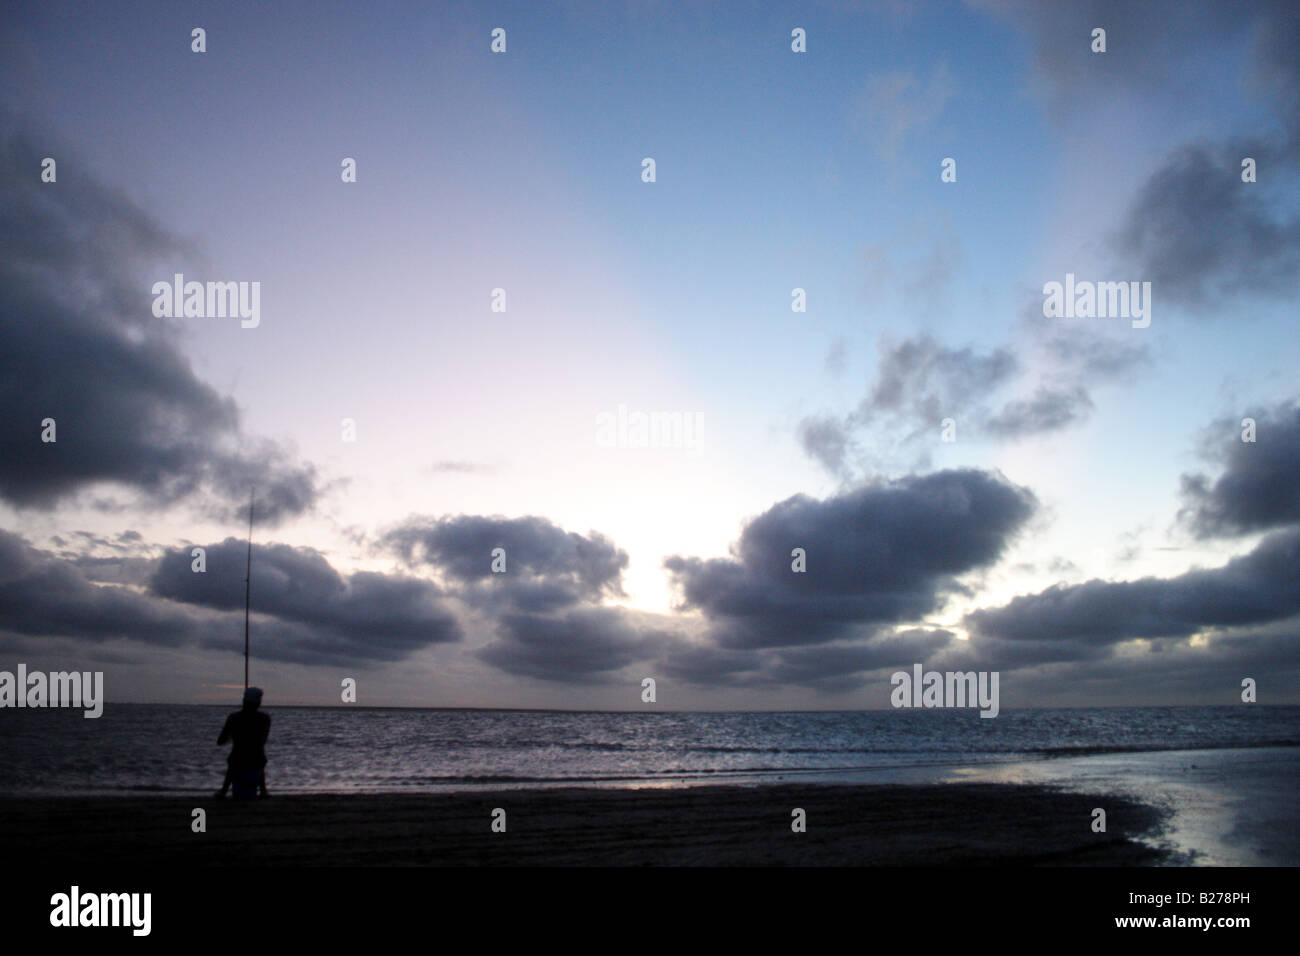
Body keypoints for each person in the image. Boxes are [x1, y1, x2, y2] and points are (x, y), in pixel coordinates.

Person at [216, 686, 271, 799]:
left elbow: (221, 741)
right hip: (256, 760)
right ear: (259, 702)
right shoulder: (265, 719)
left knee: (236, 758)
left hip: (238, 760)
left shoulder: (234, 718)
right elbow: (263, 741)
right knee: (258, 755)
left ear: (244, 701)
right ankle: (263, 790)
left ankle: (224, 790)